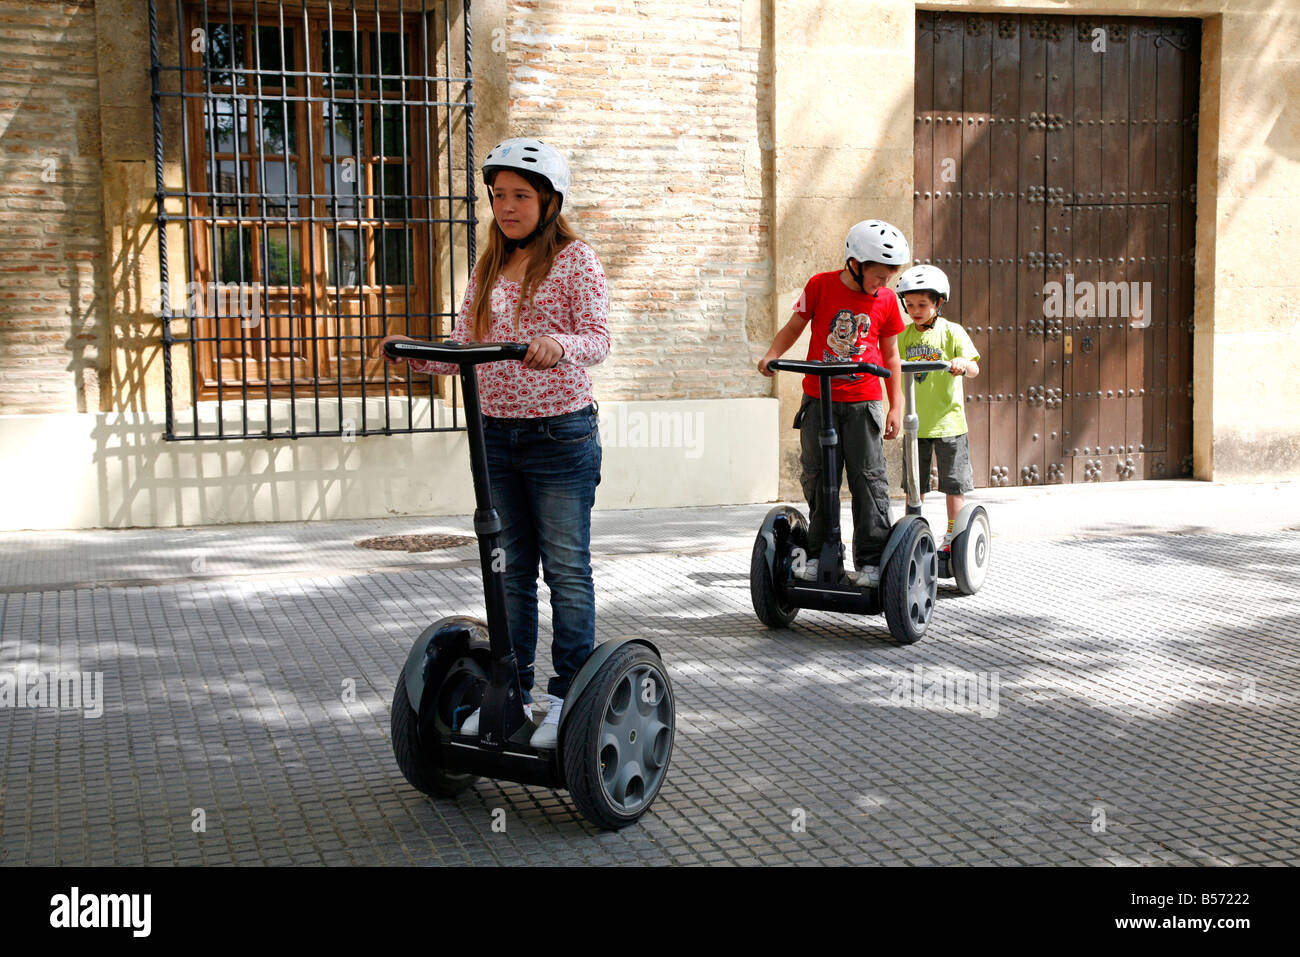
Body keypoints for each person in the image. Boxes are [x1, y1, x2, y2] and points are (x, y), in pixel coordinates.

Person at [379, 138, 609, 749]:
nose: (508, 207)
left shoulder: (576, 260)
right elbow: (464, 345)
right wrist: (420, 358)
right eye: (500, 195)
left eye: (521, 196)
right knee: (508, 573)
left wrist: (559, 345)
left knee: (566, 570)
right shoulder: (486, 267)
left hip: (559, 433)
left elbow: (597, 339)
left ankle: (568, 698)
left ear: (549, 202)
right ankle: (511, 694)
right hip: (496, 437)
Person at [758, 220, 909, 587]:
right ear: (855, 264)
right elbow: (795, 326)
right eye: (879, 275)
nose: (885, 284)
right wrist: (772, 355)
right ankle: (820, 554)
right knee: (819, 480)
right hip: (818, 401)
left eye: (890, 276)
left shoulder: (887, 301)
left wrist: (896, 404)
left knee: (868, 482)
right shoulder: (820, 285)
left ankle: (872, 561)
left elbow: (891, 356)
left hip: (864, 403)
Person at [895, 264, 980, 551]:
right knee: (913, 486)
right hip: (915, 425)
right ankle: (913, 533)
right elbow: (890, 363)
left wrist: (962, 364)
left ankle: (953, 536)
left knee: (953, 484)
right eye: (909, 305)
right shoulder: (904, 336)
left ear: (938, 303)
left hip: (949, 423)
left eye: (922, 304)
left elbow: (974, 368)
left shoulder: (951, 332)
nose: (915, 310)